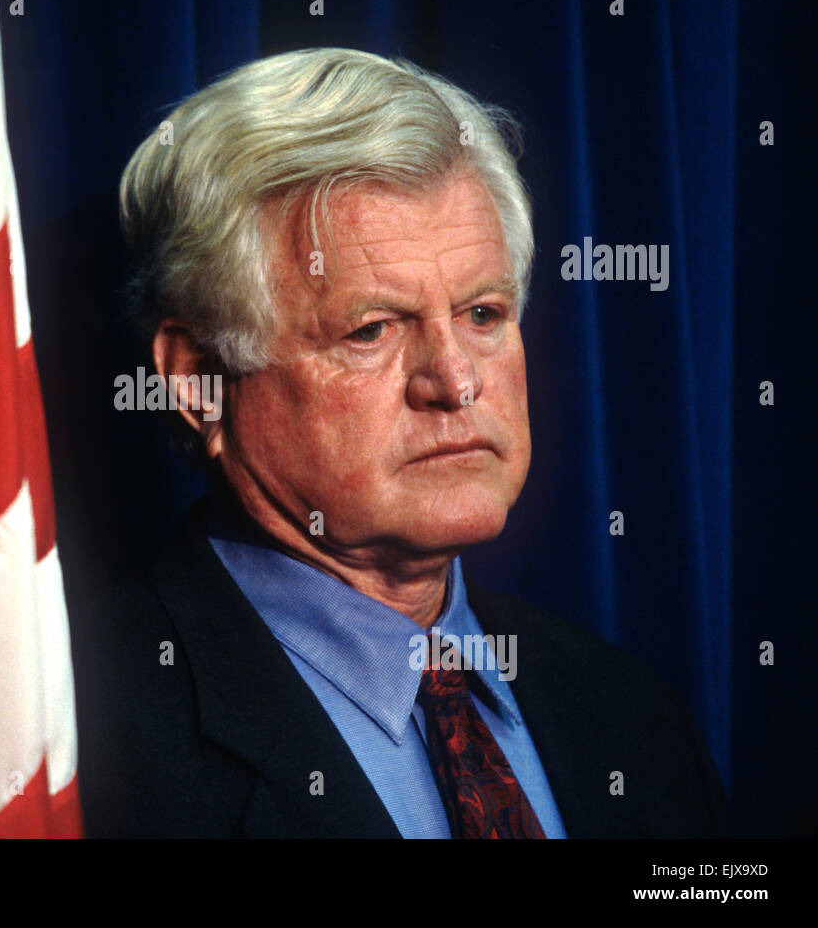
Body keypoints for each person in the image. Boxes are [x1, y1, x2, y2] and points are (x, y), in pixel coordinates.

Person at [73, 47, 729, 837]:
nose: (455, 383)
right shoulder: (75, 743)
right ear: (198, 380)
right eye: (371, 330)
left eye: (482, 315)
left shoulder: (629, 713)